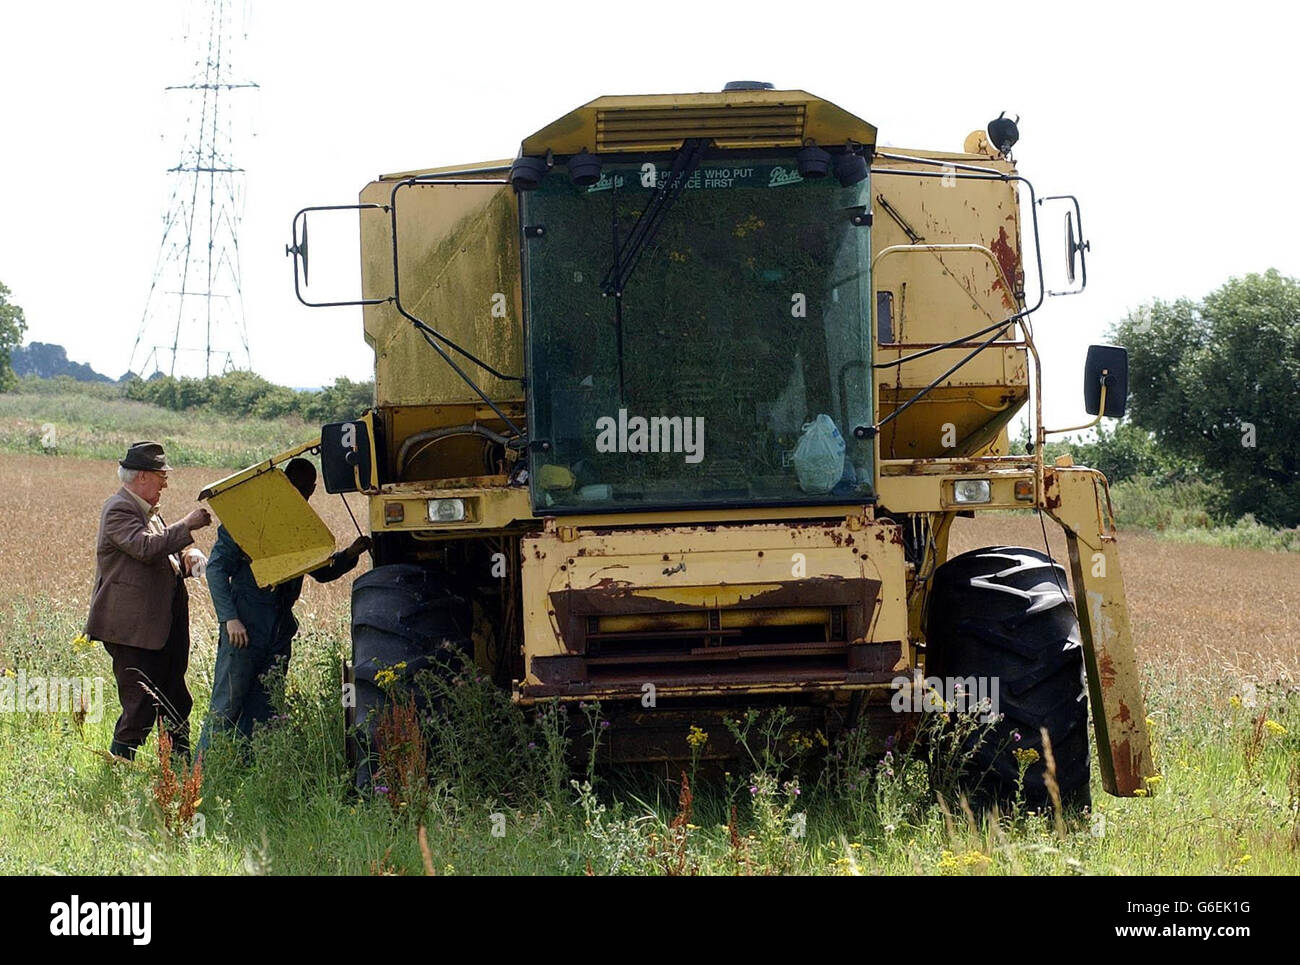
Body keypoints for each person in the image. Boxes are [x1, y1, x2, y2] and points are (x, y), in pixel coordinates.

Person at [199, 457, 370, 751]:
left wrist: (350, 554)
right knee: (225, 707)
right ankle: (200, 779)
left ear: (313, 490)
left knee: (264, 712)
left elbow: (321, 570)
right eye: (296, 487)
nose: (302, 493)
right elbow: (215, 569)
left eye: (306, 489)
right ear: (282, 484)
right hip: (243, 631)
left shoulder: (301, 526)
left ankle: (248, 770)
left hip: (277, 635)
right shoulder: (247, 520)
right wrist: (230, 619)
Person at [86, 441, 212, 761]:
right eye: (161, 477)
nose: (165, 484)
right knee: (140, 705)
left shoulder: (149, 512)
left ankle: (180, 767)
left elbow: (162, 552)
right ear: (142, 476)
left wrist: (187, 556)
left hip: (159, 628)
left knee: (175, 700)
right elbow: (144, 547)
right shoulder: (118, 508)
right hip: (133, 630)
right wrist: (187, 525)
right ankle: (118, 769)